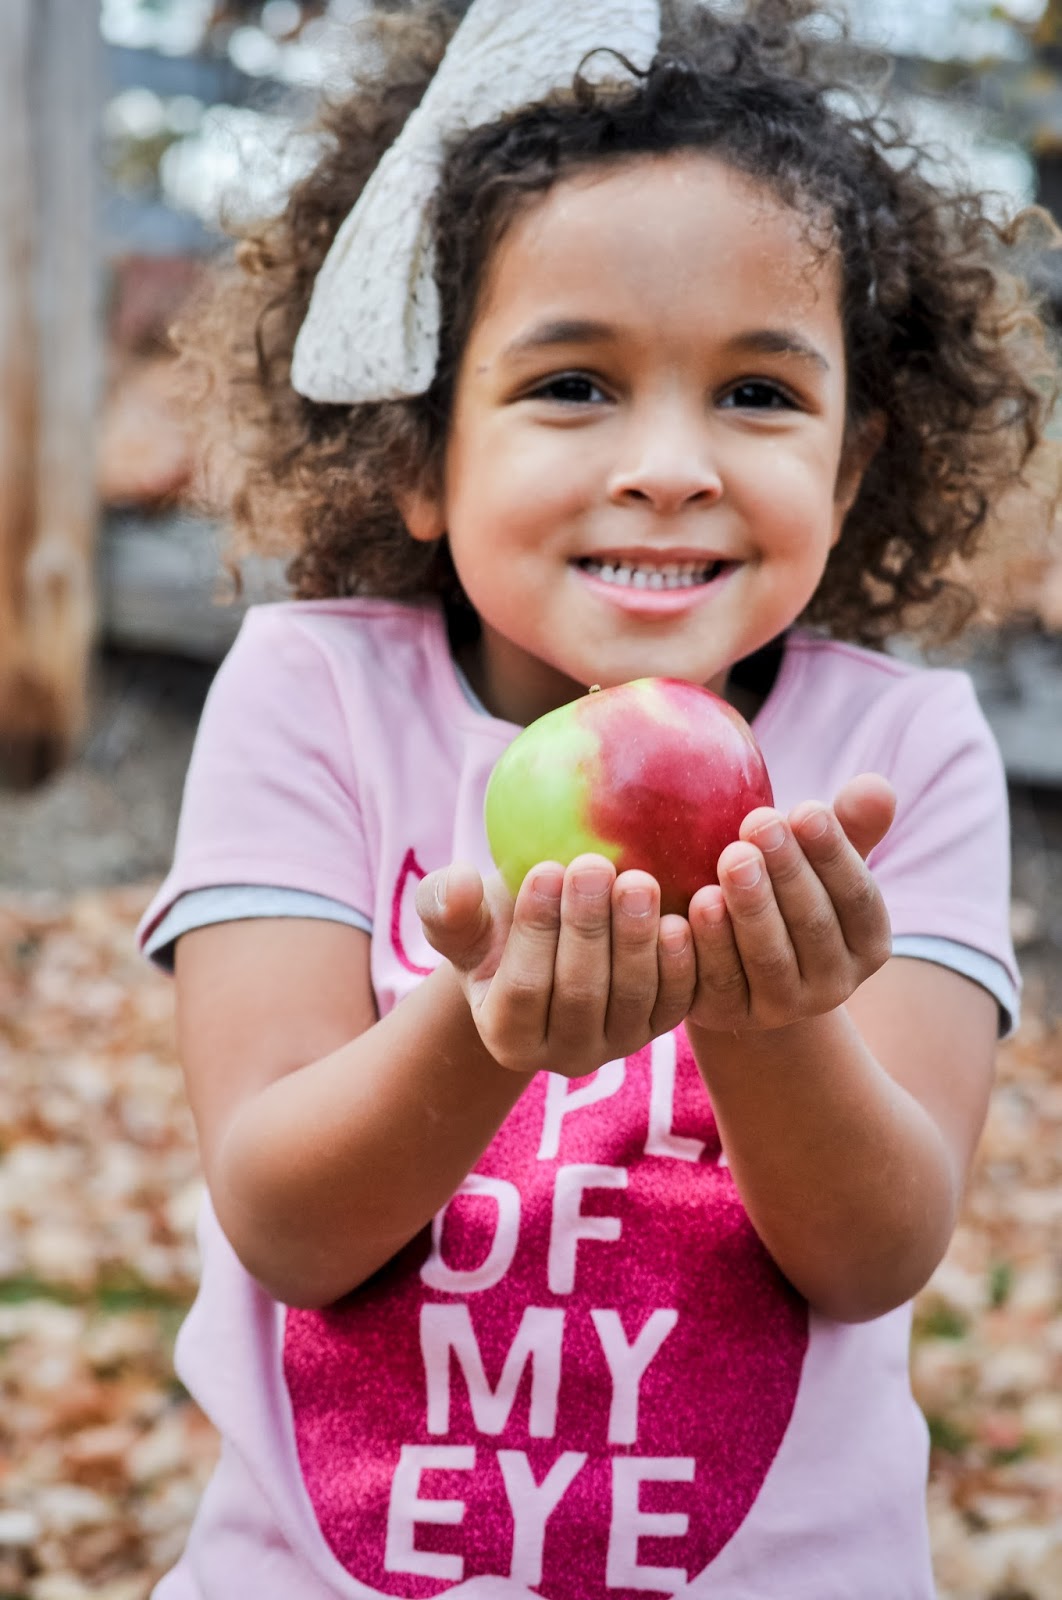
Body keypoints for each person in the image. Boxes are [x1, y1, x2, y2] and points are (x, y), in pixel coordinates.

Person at [138, 1, 1057, 1594]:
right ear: (419, 459)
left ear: (847, 475)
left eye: (759, 397)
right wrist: (479, 1029)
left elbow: (872, 1255)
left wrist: (765, 1018)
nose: (669, 465)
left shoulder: (895, 764)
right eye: (572, 385)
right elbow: (286, 1221)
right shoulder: (313, 700)